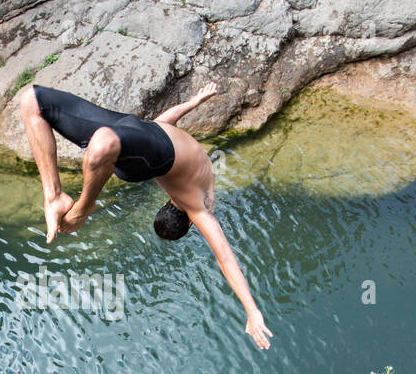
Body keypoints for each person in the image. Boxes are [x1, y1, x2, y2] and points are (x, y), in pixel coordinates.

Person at [17, 81, 272, 349]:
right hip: (141, 134)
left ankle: (68, 200)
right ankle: (69, 201)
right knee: (32, 101)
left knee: (97, 139)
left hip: (141, 138)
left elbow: (167, 122)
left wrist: (194, 103)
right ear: (184, 218)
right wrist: (251, 310)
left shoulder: (200, 192)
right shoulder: (199, 207)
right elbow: (224, 259)